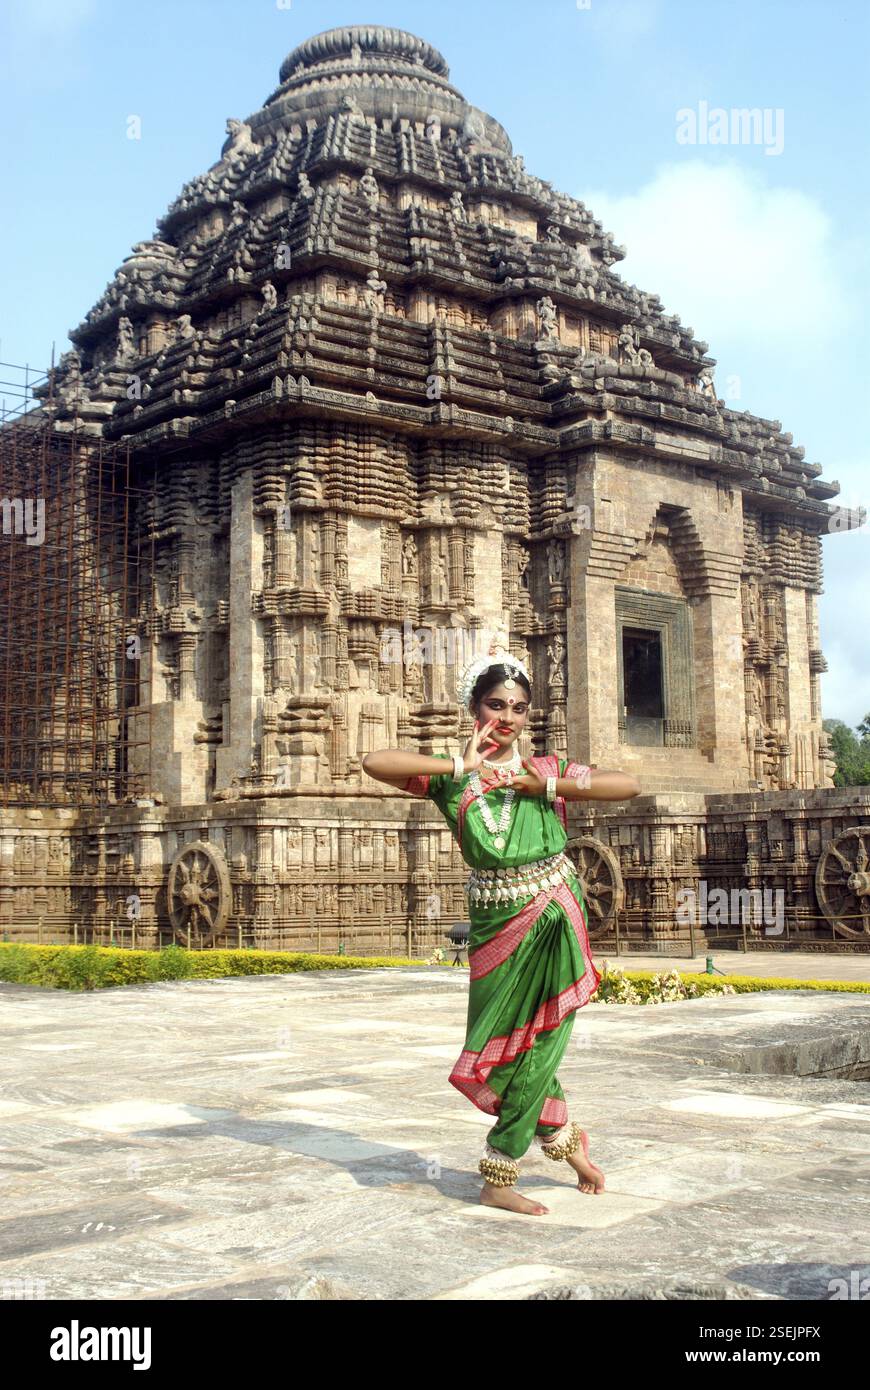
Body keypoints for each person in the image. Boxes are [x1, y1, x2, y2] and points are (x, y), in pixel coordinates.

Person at [362, 639, 641, 1217]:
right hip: (496, 922)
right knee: (505, 1049)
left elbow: (627, 785)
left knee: (544, 1037)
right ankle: (567, 1142)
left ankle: (499, 1169)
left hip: (555, 911)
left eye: (517, 708)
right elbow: (376, 763)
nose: (506, 718)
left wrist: (552, 788)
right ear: (475, 709)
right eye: (495, 705)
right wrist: (460, 765)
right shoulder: (450, 778)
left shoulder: (547, 770)